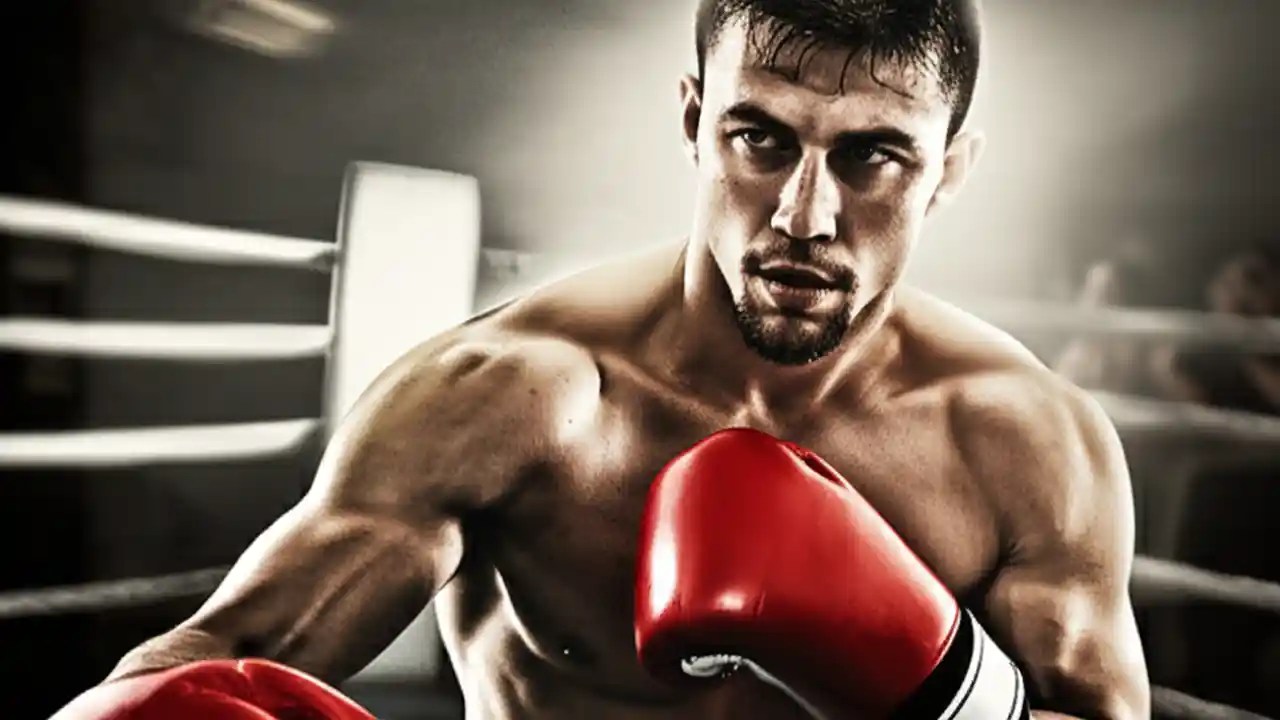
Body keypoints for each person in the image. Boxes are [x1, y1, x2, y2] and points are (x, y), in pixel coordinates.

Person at [53, 0, 1151, 718]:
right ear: (693, 120)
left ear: (948, 169)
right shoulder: (515, 393)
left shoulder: (1023, 444)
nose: (804, 216)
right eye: (760, 140)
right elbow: (223, 656)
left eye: (873, 157)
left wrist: (943, 685)